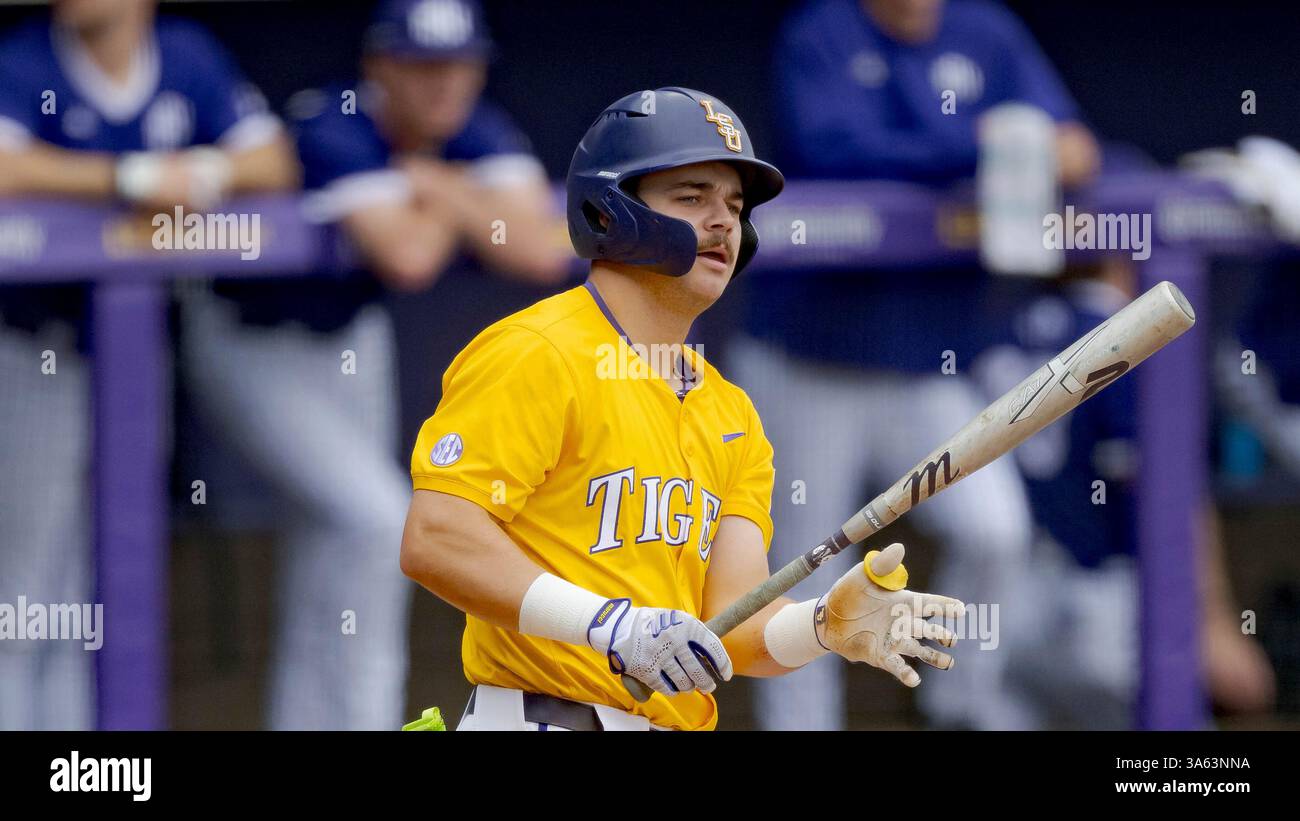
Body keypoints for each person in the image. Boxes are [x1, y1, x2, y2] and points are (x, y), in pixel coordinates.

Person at [399, 87, 967, 731]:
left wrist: (822, 624)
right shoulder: (538, 351)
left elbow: (736, 627)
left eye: (733, 205)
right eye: (692, 197)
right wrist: (611, 625)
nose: (723, 221)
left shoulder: (731, 414)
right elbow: (438, 538)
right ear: (612, 209)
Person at [177, 0, 568, 730]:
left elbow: (540, 247)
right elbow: (411, 256)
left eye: (458, 65)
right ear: (380, 66)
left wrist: (438, 187)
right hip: (252, 341)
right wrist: (464, 199)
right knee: (378, 517)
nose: (444, 85)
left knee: (347, 542)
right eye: (422, 66)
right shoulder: (334, 119)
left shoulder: (469, 125)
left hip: (350, 338)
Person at [733, 0, 1102, 730]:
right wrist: (991, 143)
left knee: (995, 530)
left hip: (925, 361)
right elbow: (838, 151)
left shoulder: (986, 30)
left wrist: (1021, 147)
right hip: (811, 357)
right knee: (809, 574)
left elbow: (1076, 147)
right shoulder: (821, 33)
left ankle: (953, 710)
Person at [0, 0, 296, 730]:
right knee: (24, 594)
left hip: (134, 359)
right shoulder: (26, 59)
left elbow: (276, 161)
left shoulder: (185, 54)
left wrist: (199, 170)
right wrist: (130, 177)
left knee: (92, 591)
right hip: (32, 349)